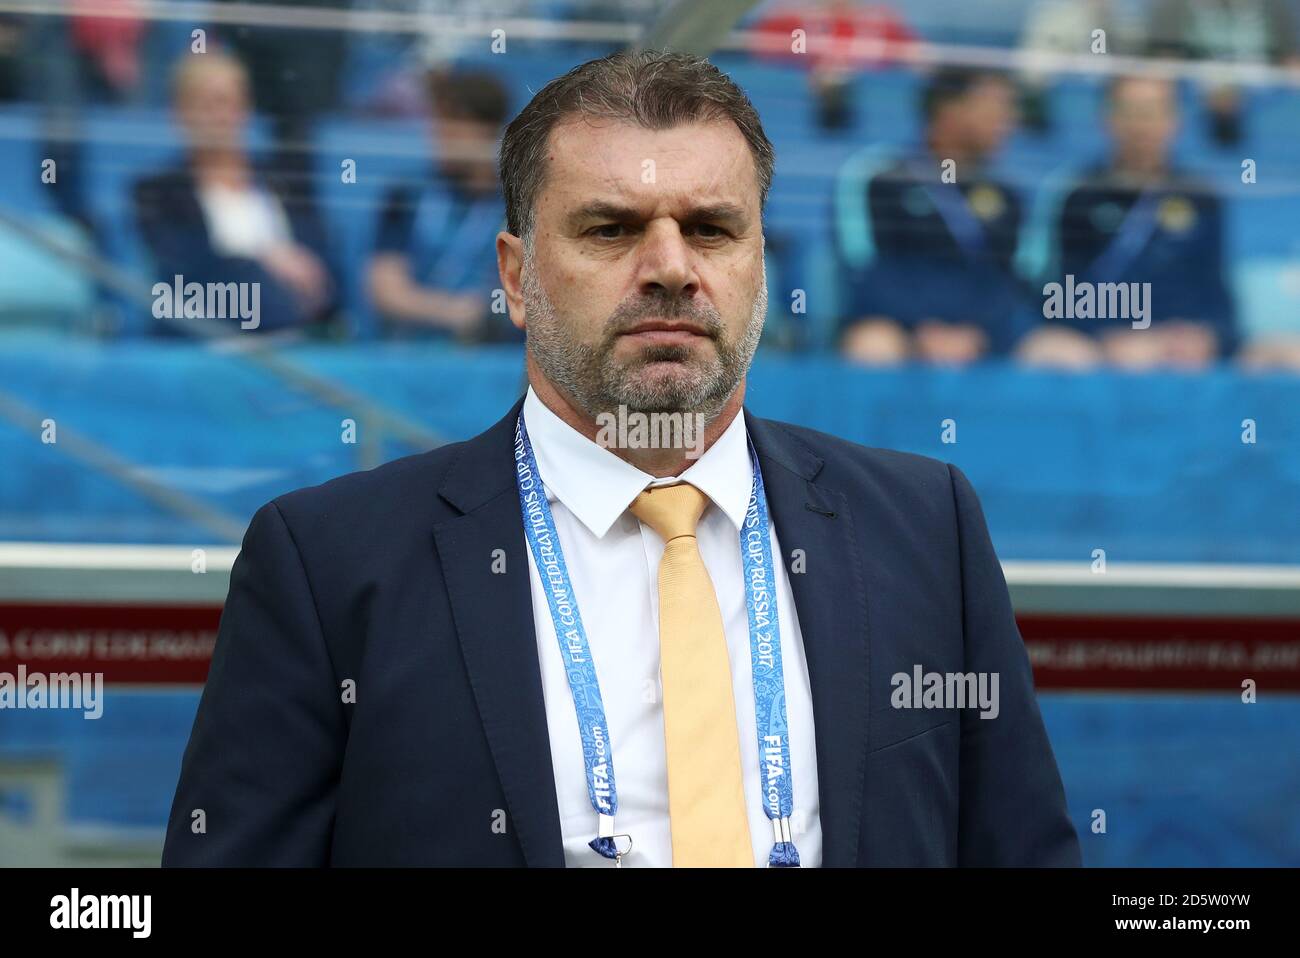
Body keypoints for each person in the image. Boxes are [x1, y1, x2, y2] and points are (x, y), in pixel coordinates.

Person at [162, 51, 1079, 868]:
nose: (671, 266)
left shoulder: (926, 528)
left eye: (713, 228)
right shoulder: (330, 564)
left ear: (762, 259)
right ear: (517, 277)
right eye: (611, 229)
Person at [1024, 75, 1237, 370]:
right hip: (1101, 348)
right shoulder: (1077, 193)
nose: (1142, 125)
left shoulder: (1201, 196)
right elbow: (1054, 292)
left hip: (1181, 350)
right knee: (1057, 353)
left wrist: (1209, 338)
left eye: (1153, 111)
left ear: (1175, 121)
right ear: (1108, 119)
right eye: (1132, 112)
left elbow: (1216, 292)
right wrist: (1106, 338)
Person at [833, 67, 1034, 365]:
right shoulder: (879, 177)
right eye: (995, 107)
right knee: (873, 347)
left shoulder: (1008, 194)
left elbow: (1017, 278)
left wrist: (976, 331)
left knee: (1054, 354)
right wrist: (922, 327)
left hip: (981, 336)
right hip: (897, 329)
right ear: (948, 109)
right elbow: (861, 267)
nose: (1008, 122)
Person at [133, 51, 338, 335]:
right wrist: (266, 261)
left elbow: (325, 263)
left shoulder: (285, 182)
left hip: (302, 334)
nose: (217, 116)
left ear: (245, 108)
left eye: (226, 102)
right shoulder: (158, 192)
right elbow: (184, 274)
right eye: (203, 104)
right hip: (210, 339)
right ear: (179, 114)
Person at [367, 67, 518, 341]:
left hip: (492, 349)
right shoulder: (408, 193)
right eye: (438, 124)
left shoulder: (518, 202)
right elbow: (386, 293)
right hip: (411, 349)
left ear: (487, 131)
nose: (438, 137)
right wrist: (461, 313)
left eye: (453, 126)